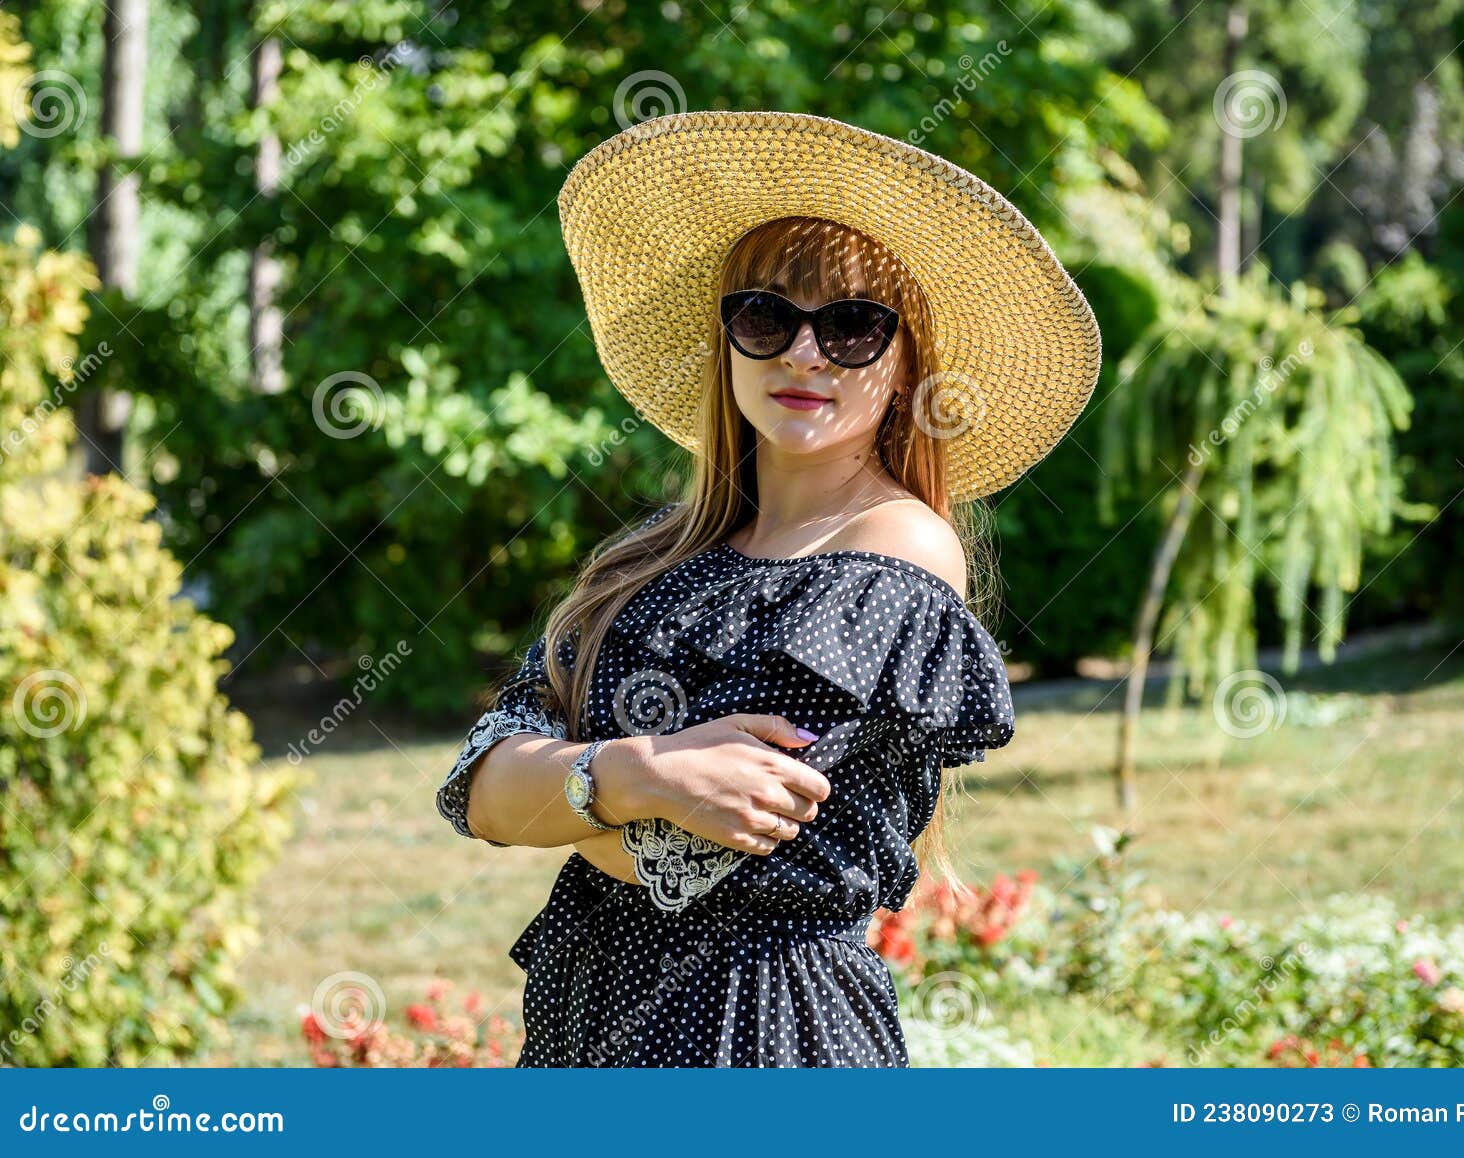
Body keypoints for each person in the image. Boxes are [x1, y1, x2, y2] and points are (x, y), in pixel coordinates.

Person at [435, 109, 1101, 1067]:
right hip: (588, 1027)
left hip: (760, 1031)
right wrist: (642, 774)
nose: (802, 352)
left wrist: (580, 781)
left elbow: (714, 850)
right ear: (727, 339)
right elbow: (479, 786)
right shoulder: (648, 560)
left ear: (910, 358)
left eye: (854, 326)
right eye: (765, 315)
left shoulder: (897, 550)